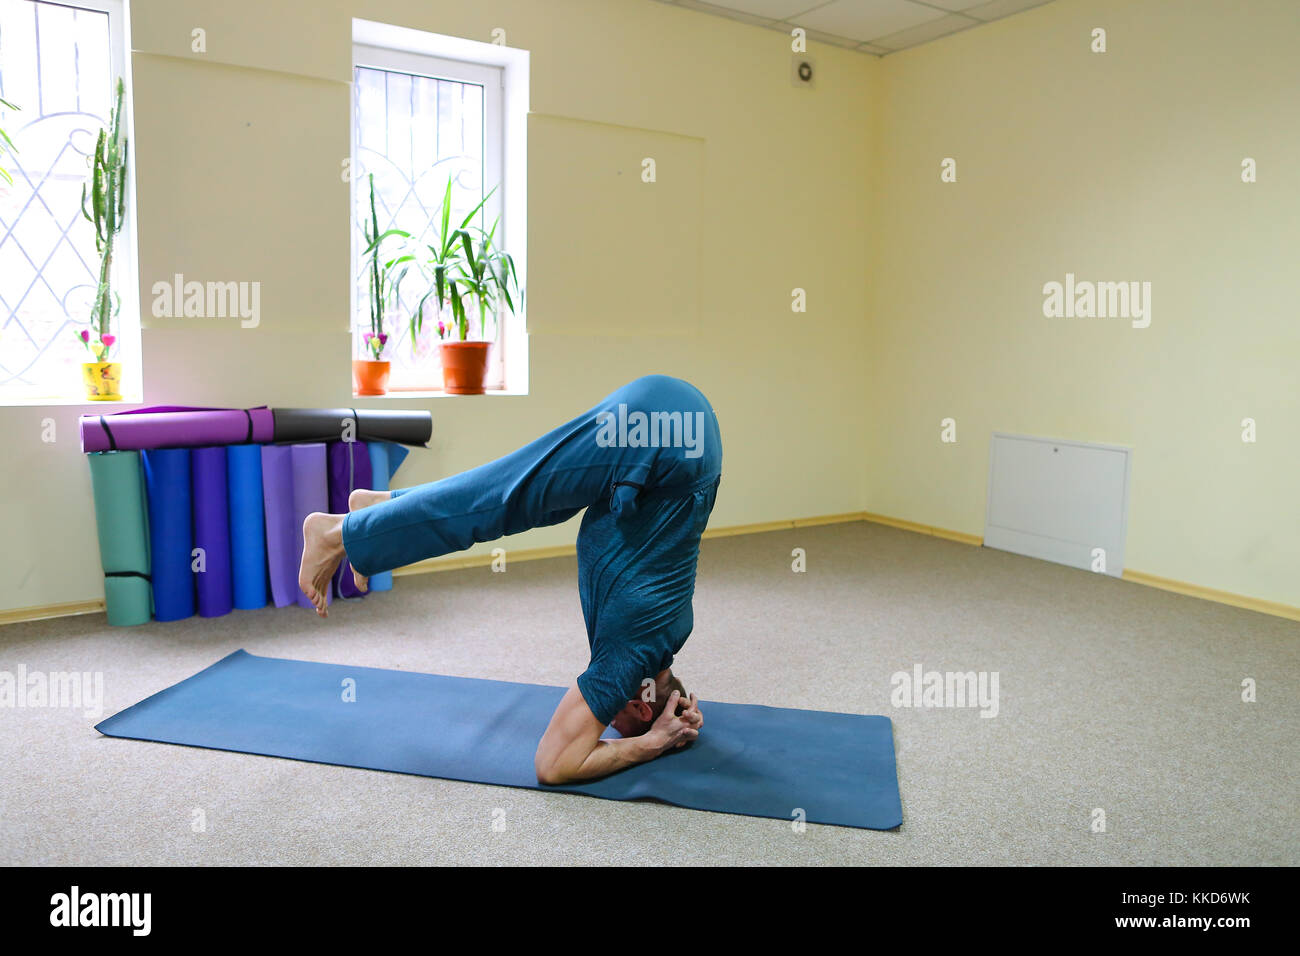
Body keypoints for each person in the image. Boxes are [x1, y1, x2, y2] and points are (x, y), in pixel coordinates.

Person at [298, 374, 722, 784]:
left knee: (525, 495)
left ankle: (382, 513)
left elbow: (654, 675)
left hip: (687, 437)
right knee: (503, 500)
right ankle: (339, 534)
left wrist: (675, 709)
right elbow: (554, 765)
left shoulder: (672, 634)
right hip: (664, 444)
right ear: (641, 708)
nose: (607, 722)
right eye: (615, 721)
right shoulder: (625, 665)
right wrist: (650, 744)